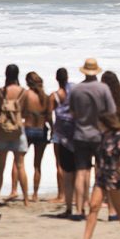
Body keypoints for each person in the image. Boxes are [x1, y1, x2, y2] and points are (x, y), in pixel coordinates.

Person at [73, 110, 120, 239]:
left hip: (115, 176)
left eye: (99, 123)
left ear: (105, 123)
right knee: (93, 207)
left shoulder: (118, 137)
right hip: (101, 177)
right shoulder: (101, 137)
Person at [69, 58, 115, 219]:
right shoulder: (103, 88)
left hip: (80, 134)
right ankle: (111, 211)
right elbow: (111, 111)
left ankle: (79, 209)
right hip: (99, 135)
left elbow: (72, 112)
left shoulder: (76, 89)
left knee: (81, 172)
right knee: (103, 172)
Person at [0, 64, 30, 206]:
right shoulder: (23, 92)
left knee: (0, 167)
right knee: (20, 165)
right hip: (18, 130)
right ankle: (26, 199)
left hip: (3, 130)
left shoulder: (0, 92)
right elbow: (25, 111)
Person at [22, 71, 52, 202]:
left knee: (19, 163)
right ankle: (35, 194)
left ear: (28, 82)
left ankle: (19, 192)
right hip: (41, 130)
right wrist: (53, 129)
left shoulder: (25, 94)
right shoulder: (46, 97)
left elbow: (21, 112)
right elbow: (49, 117)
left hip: (28, 129)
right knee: (37, 165)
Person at [50, 68, 74, 209]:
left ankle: (61, 194)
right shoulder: (73, 93)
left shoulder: (55, 96)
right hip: (72, 130)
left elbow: (49, 114)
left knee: (59, 163)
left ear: (56, 79)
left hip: (59, 131)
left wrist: (51, 127)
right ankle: (72, 193)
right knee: (73, 164)